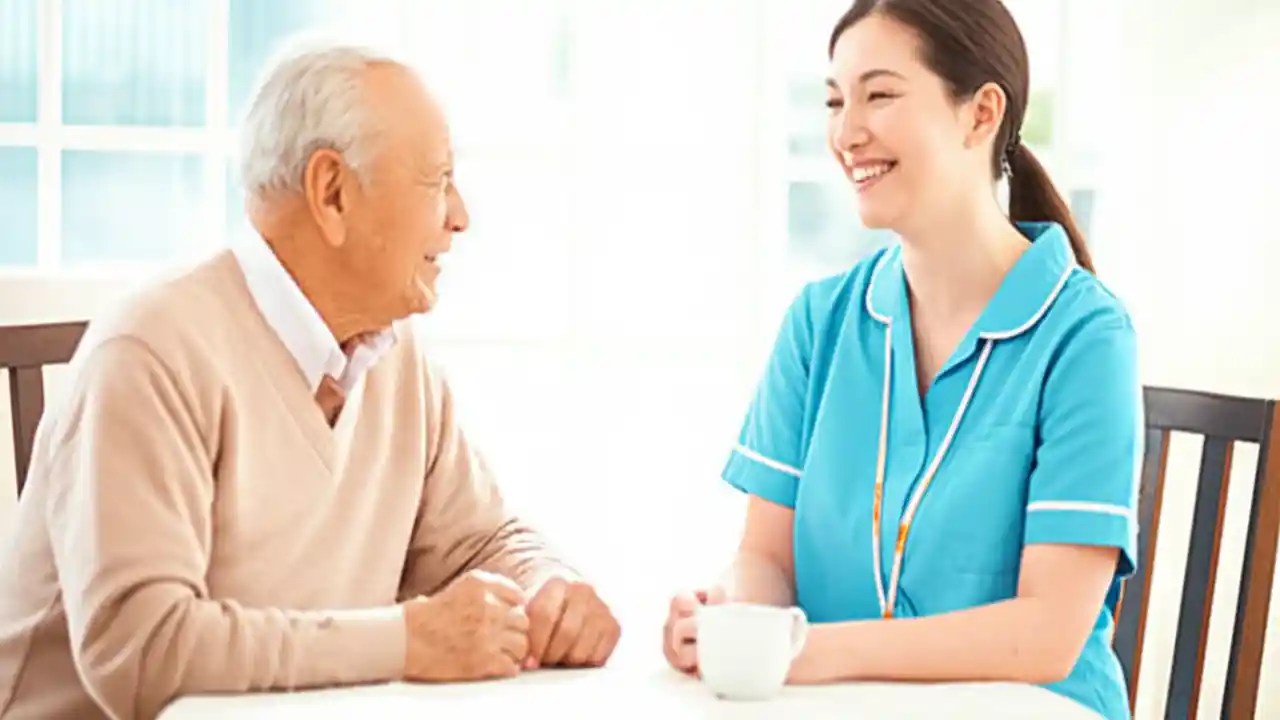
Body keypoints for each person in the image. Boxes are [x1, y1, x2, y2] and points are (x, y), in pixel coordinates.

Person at [0, 42, 619, 720]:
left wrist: (547, 584)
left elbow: (478, 543)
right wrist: (406, 642)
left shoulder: (396, 358)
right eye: (437, 180)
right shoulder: (149, 351)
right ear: (332, 193)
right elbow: (143, 654)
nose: (460, 215)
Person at [661, 2, 1139, 719]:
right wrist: (738, 622)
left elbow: (1047, 635)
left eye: (879, 95)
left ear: (980, 114)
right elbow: (768, 558)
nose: (845, 133)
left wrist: (810, 652)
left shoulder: (1085, 336)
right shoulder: (819, 323)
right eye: (834, 101)